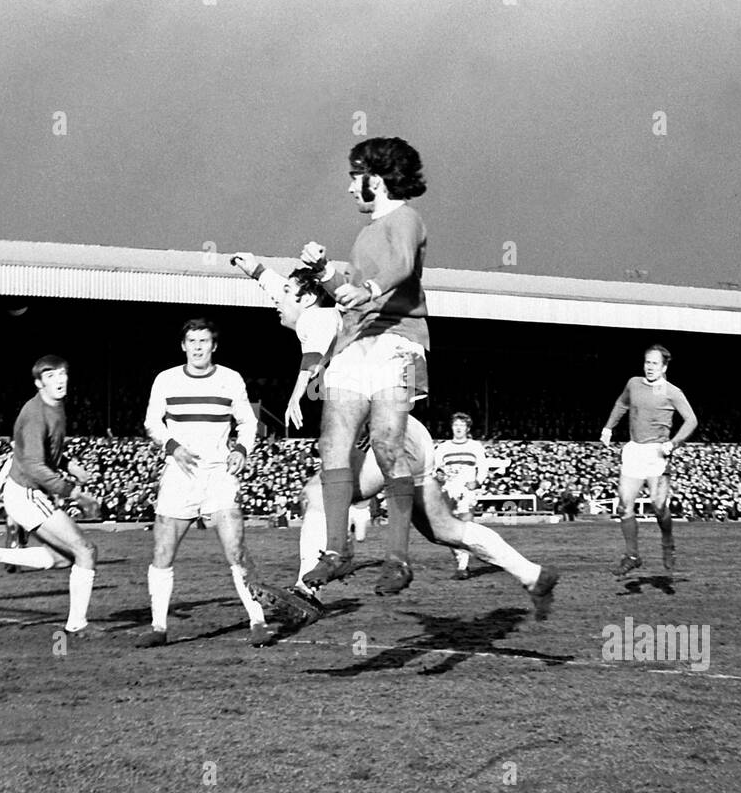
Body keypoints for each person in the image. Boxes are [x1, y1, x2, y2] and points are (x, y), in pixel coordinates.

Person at [231, 258, 559, 622]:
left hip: (389, 435)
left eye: (287, 295)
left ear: (308, 299)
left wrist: (297, 390)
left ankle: (307, 592)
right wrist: (257, 271)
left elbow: (309, 336)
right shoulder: (324, 315)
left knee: (317, 494)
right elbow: (289, 292)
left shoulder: (317, 320)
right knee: (442, 530)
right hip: (409, 435)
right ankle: (533, 574)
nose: (278, 302)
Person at [297, 137, 430, 595]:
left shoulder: (406, 218)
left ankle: (397, 558)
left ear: (376, 178)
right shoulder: (363, 234)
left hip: (399, 339)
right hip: (358, 342)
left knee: (388, 442)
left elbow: (403, 265)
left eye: (356, 176)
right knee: (332, 442)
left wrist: (369, 288)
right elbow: (350, 294)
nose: (351, 186)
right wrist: (324, 272)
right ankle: (336, 552)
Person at [138, 319, 274, 649]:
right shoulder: (166, 379)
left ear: (214, 345)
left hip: (218, 474)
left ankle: (258, 622)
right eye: (192, 341)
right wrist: (172, 446)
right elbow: (151, 422)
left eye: (204, 341)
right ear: (183, 345)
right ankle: (158, 627)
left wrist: (242, 449)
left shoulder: (230, 379)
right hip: (179, 473)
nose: (198, 346)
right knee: (163, 551)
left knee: (235, 548)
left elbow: (248, 422)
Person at [0, 356, 103, 635]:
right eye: (51, 376)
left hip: (28, 493)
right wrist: (76, 493)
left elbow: (44, 451)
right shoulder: (35, 413)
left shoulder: (55, 406)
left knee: (65, 558)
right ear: (39, 383)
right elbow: (35, 465)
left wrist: (68, 464)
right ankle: (77, 625)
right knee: (85, 551)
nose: (60, 379)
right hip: (26, 493)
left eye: (63, 373)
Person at [600, 344, 698, 576]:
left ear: (664, 367)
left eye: (655, 363)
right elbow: (622, 403)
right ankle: (632, 555)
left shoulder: (673, 392)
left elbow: (691, 420)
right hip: (634, 450)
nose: (650, 367)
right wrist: (608, 428)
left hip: (657, 453)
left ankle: (667, 542)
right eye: (647, 362)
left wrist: (673, 443)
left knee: (658, 506)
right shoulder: (634, 383)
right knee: (624, 506)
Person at [434, 413, 490, 579]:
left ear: (467, 428)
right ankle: (460, 558)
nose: (458, 428)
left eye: (462, 425)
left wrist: (477, 482)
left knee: (465, 525)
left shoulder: (475, 446)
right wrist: (439, 475)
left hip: (467, 490)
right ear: (451, 427)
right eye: (455, 425)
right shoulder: (443, 447)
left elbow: (483, 467)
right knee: (449, 529)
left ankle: (463, 567)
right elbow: (435, 468)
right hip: (448, 489)